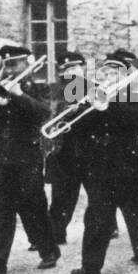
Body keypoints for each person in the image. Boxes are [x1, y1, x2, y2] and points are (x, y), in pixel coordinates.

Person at [0, 43, 59, 274]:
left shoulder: (39, 87)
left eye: (14, 64)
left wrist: (19, 95)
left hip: (27, 156)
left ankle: (48, 251)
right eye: (7, 65)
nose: (10, 69)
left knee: (34, 206)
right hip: (0, 156)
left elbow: (44, 113)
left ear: (27, 64)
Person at [68, 54, 138, 274]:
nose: (108, 77)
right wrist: (87, 106)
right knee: (97, 216)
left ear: (125, 75)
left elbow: (134, 120)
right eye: (105, 73)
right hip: (99, 164)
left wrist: (109, 103)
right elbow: (78, 127)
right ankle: (90, 267)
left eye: (114, 73)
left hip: (126, 161)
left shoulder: (135, 93)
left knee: (136, 212)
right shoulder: (93, 95)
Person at [46, 50, 87, 245]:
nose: (72, 72)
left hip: (89, 148)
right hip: (64, 149)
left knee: (99, 194)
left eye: (75, 68)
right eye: (67, 69)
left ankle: (109, 227)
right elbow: (51, 114)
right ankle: (55, 234)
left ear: (82, 68)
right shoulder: (56, 90)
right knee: (62, 196)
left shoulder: (92, 88)